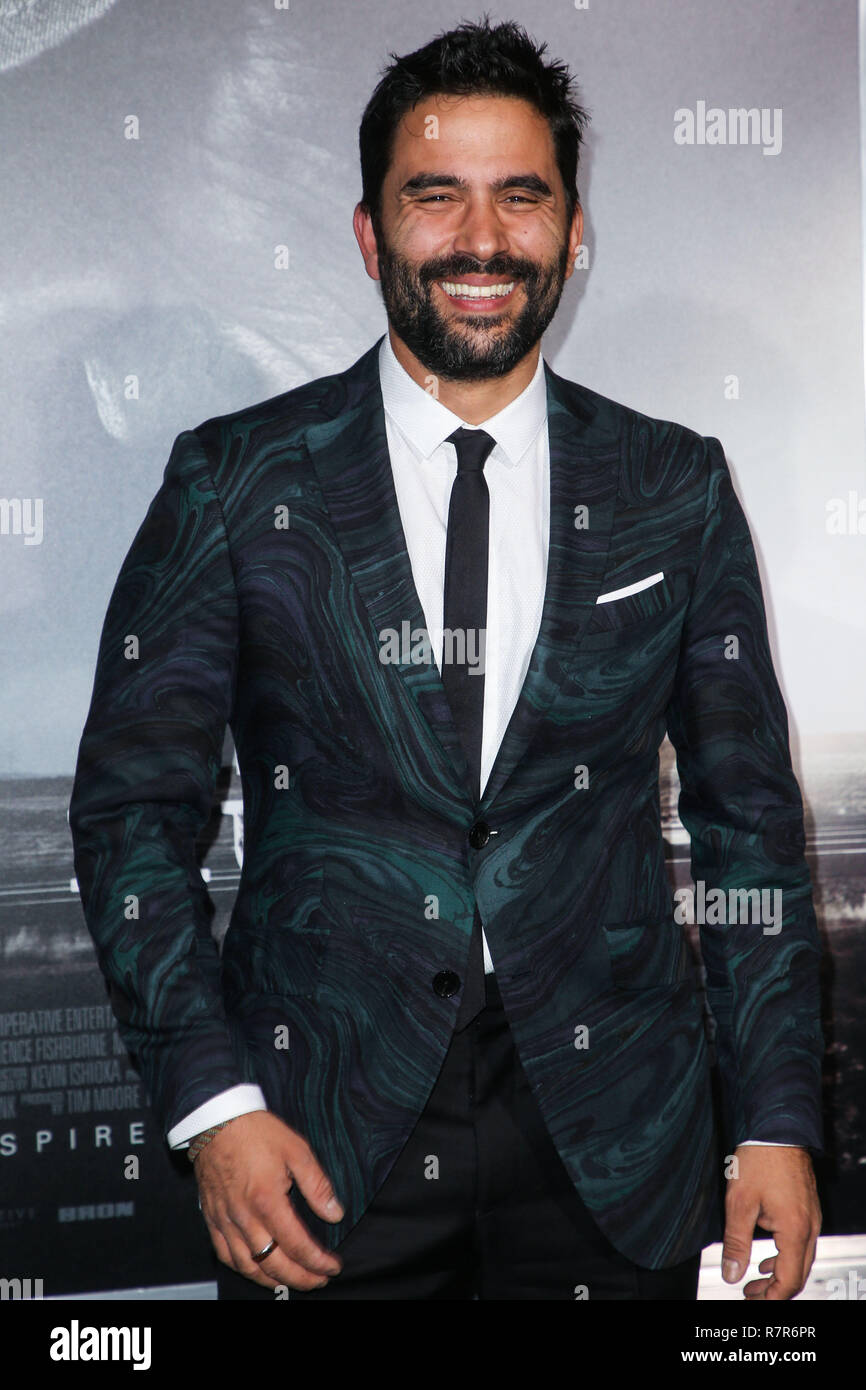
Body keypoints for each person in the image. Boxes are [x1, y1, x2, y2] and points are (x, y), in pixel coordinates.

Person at [68, 18, 823, 1301]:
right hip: (313, 1145)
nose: (480, 241)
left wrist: (775, 1118)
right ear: (370, 233)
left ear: (571, 231)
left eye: (519, 196)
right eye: (436, 196)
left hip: (611, 1144)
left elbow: (747, 825)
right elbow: (134, 814)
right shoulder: (235, 479)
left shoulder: (673, 486)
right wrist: (215, 1103)